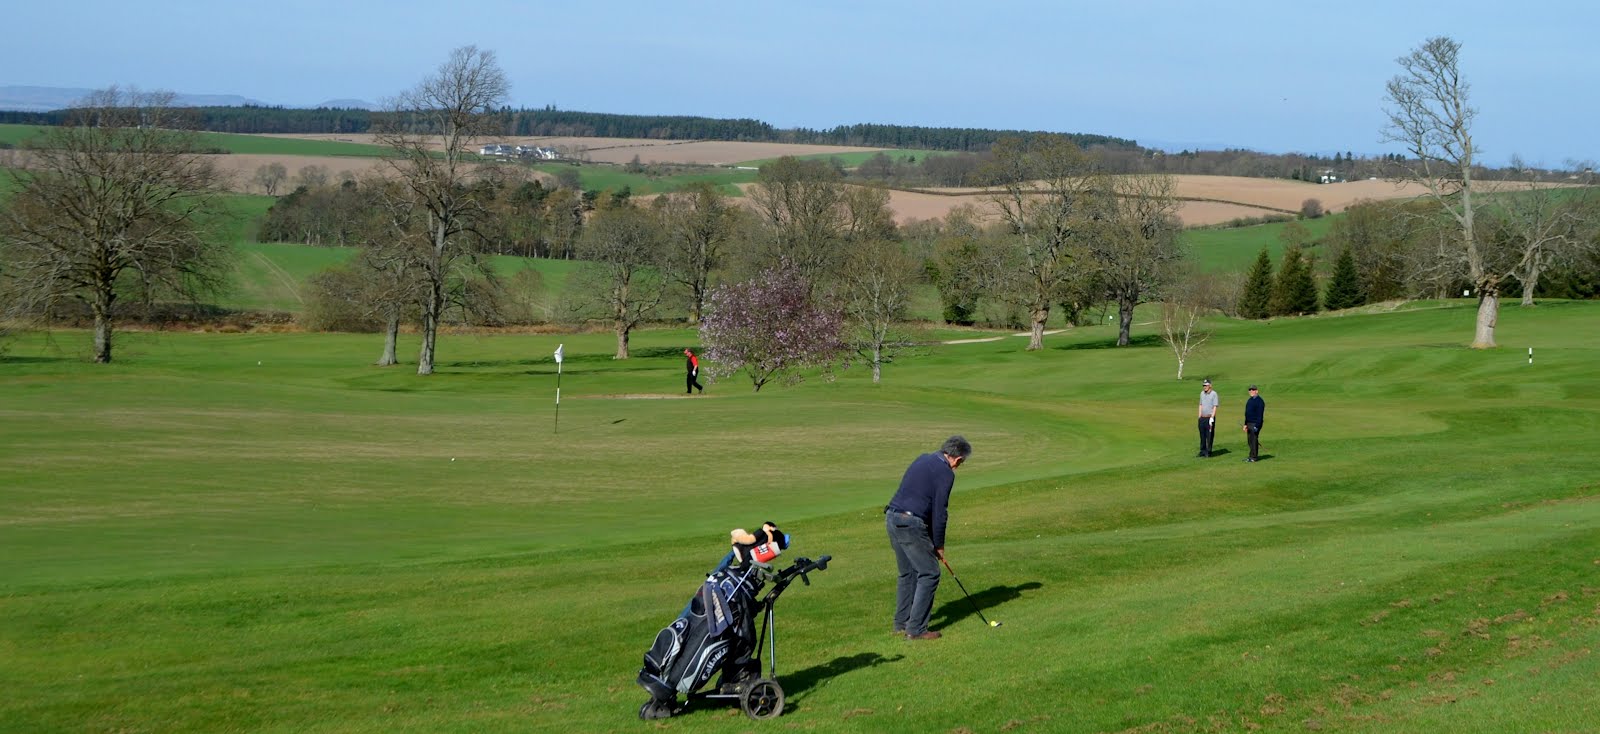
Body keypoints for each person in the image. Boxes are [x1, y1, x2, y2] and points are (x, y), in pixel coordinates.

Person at [885, 435, 972, 641]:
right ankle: (915, 630)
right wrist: (939, 545)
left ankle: (901, 623)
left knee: (908, 573)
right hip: (910, 523)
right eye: (961, 463)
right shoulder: (946, 473)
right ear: (957, 459)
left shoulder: (923, 458)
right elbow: (940, 512)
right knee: (930, 573)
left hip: (892, 517)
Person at [1242, 384, 1266, 462]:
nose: (1251, 391)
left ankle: (1254, 457)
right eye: (1250, 390)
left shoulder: (1260, 401)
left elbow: (1260, 415)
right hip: (1249, 423)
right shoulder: (1250, 400)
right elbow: (1247, 413)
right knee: (1250, 440)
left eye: (1253, 390)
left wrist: (1257, 426)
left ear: (1256, 391)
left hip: (1255, 424)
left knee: (1254, 440)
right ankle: (1251, 456)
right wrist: (1245, 424)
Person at [1197, 379, 1219, 458]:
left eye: (1206, 385)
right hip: (1202, 418)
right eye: (1203, 385)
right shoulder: (1202, 393)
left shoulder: (1214, 394)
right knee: (1202, 435)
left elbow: (1215, 406)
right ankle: (1202, 451)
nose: (1204, 387)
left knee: (1209, 435)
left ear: (1210, 385)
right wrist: (1199, 416)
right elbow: (1200, 405)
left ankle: (1208, 452)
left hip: (1210, 418)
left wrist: (1212, 417)